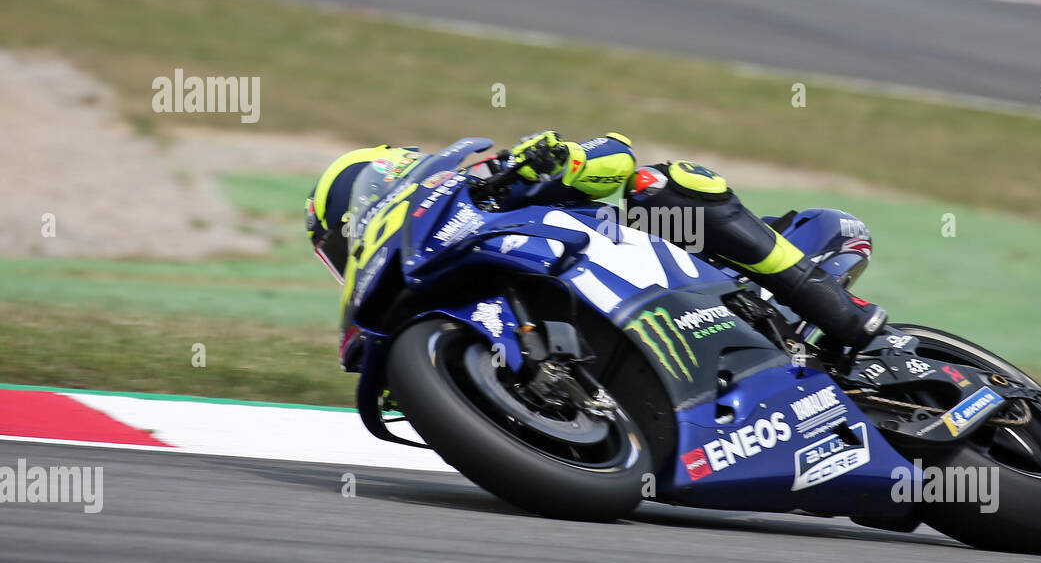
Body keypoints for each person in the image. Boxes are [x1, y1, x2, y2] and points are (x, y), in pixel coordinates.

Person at [306, 132, 886, 353]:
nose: (352, 246)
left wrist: (564, 159)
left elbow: (618, 154)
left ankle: (830, 306)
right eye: (339, 249)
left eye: (349, 225)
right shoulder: (406, 310)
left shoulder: (492, 189)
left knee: (661, 184)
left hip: (677, 277)